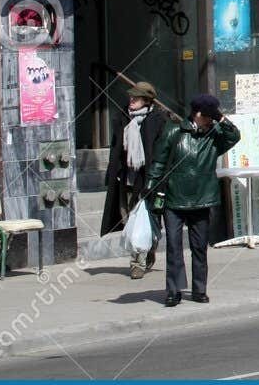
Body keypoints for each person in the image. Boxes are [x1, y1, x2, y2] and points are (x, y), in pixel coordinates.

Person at [145, 94, 240, 308]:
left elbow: (235, 136)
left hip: (203, 198)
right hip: (174, 199)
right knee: (174, 248)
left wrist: (221, 118)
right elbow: (159, 162)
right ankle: (173, 290)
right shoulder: (174, 132)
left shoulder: (214, 136)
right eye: (209, 116)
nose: (212, 120)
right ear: (198, 114)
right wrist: (150, 187)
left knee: (199, 247)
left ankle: (199, 289)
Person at [99, 81, 173, 279]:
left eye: (136, 98)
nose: (131, 100)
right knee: (128, 217)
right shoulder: (123, 118)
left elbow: (162, 152)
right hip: (127, 178)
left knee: (145, 218)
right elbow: (116, 148)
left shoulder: (158, 120)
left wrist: (157, 179)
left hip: (149, 179)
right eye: (131, 97)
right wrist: (114, 171)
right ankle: (144, 249)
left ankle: (138, 261)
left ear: (147, 101)